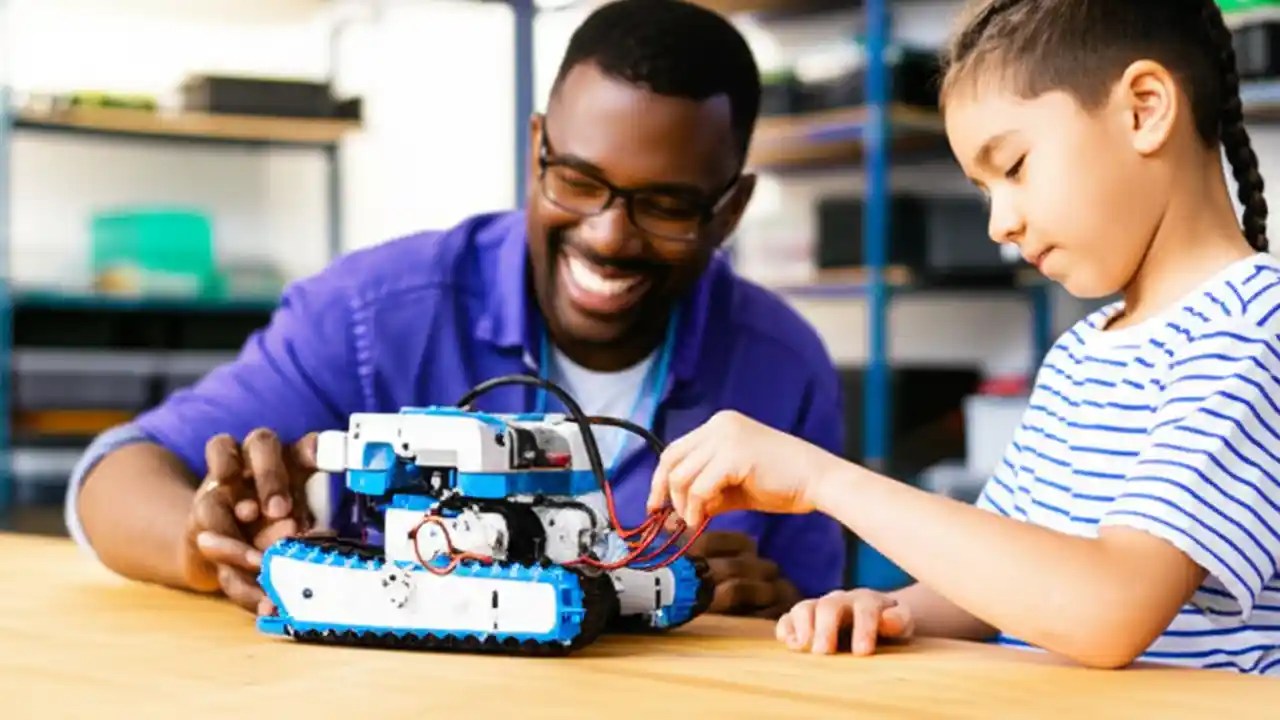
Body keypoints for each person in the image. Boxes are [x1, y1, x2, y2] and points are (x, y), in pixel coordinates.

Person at [63, 0, 848, 620]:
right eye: (575, 181)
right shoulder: (378, 313)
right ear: (536, 146)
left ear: (732, 209)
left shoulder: (784, 369)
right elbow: (114, 475)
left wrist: (772, 615)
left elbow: (826, 620)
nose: (609, 236)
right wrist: (203, 546)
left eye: (668, 206)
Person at [646, 0, 1280, 675]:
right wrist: (896, 611)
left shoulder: (1254, 326)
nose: (999, 223)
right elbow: (997, 587)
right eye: (983, 191)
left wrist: (820, 479)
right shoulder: (1081, 353)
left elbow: (1108, 609)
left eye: (1014, 167)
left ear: (1145, 108)